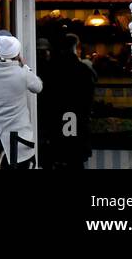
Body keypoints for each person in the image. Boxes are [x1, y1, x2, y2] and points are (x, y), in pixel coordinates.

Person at [0, 34, 43, 168]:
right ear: (17, 54)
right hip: (19, 143)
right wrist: (25, 66)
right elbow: (38, 87)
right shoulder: (23, 73)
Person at [41, 33, 95, 168]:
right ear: (75, 48)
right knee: (75, 160)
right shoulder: (83, 70)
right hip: (77, 122)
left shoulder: (50, 68)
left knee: (55, 157)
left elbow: (44, 97)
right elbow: (88, 99)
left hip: (54, 123)